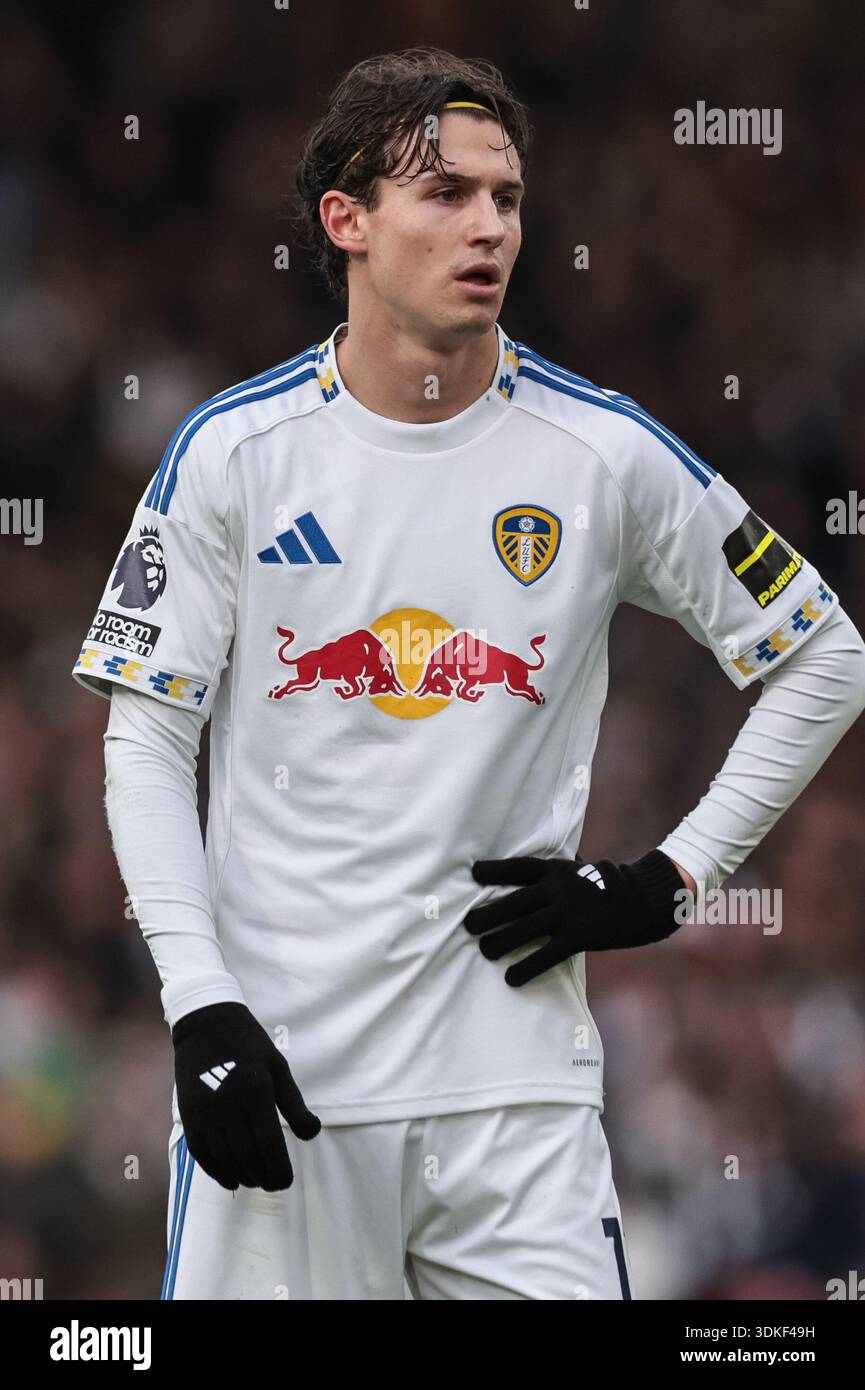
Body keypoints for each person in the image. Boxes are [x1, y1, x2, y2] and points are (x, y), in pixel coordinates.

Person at [72, 47, 865, 1300]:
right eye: (443, 193)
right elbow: (145, 741)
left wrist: (670, 875)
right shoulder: (233, 454)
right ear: (346, 220)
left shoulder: (599, 453)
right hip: (282, 1078)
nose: (487, 224)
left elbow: (826, 654)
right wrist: (199, 1006)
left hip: (515, 1100)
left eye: (505, 196)